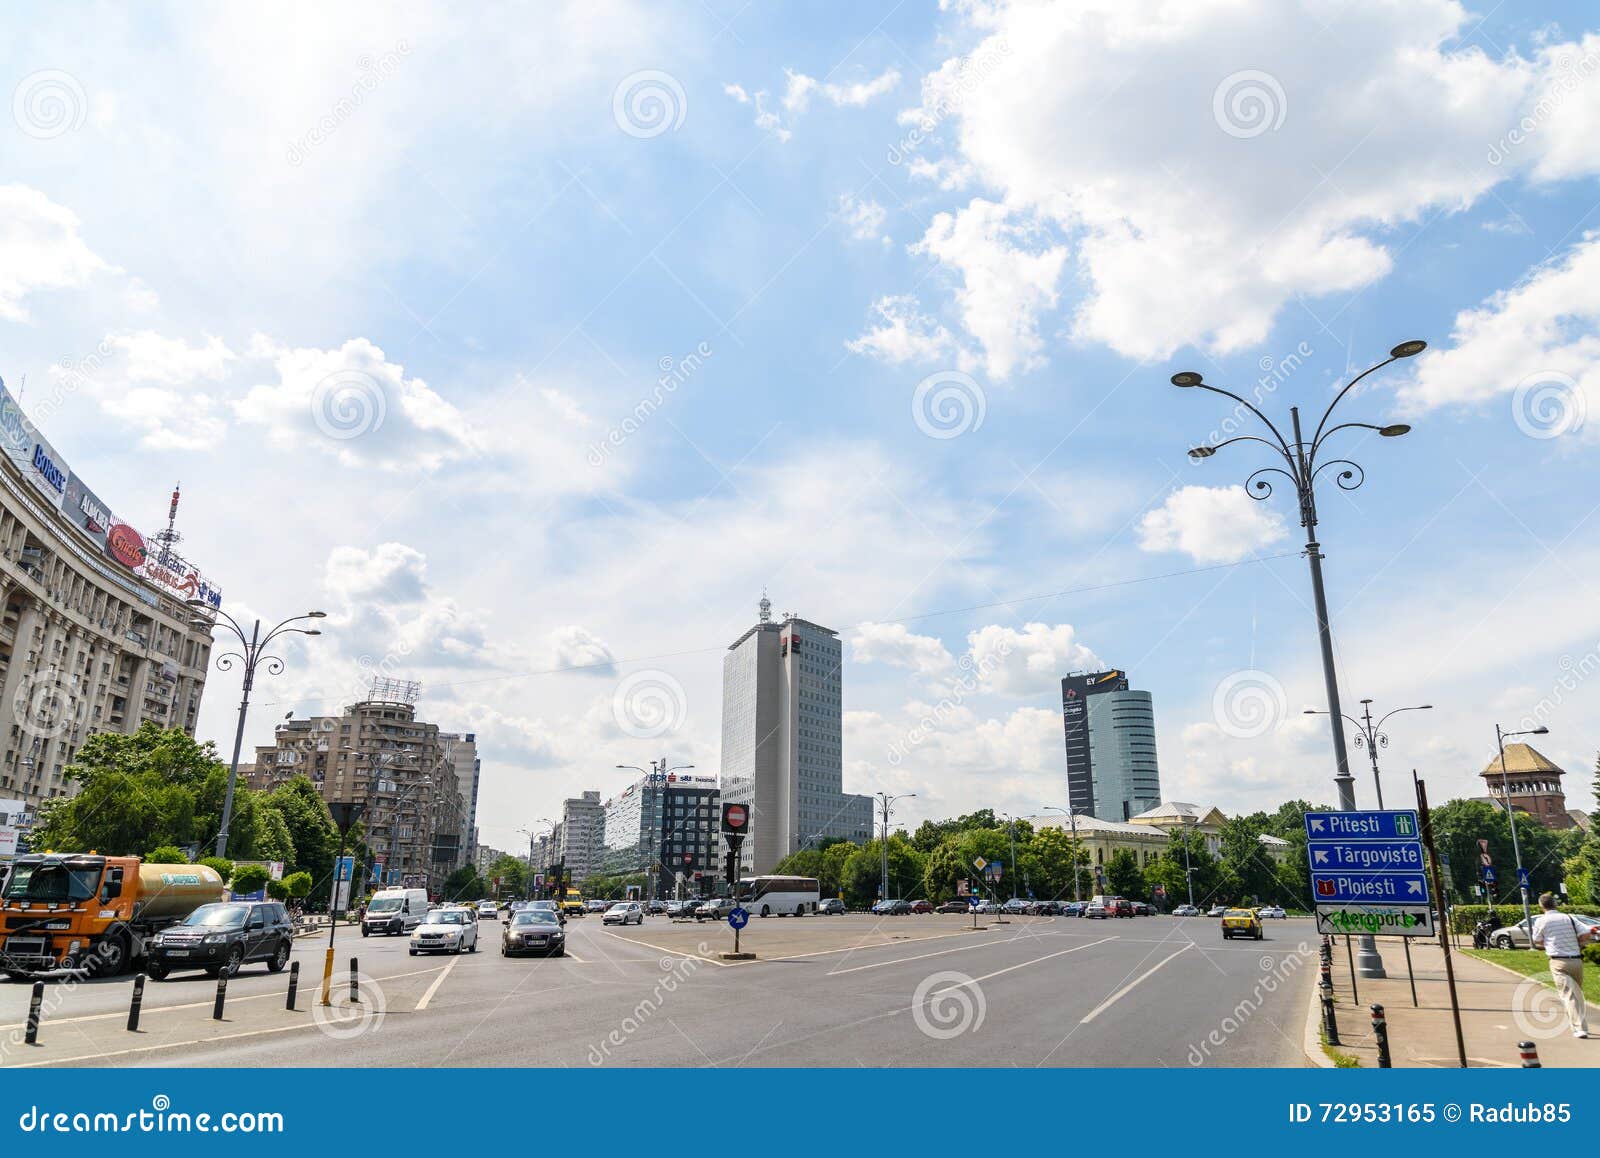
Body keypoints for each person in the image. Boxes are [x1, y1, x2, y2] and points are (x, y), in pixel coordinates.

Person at [1530, 892, 1594, 1038]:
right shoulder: (1569, 917)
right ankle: (1576, 1024)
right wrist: (1577, 943)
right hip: (1576, 961)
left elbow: (1537, 940)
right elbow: (1586, 933)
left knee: (1569, 995)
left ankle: (1580, 1028)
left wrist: (1549, 942)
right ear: (1555, 904)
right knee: (1577, 994)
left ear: (1541, 906)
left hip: (1558, 961)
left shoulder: (1541, 921)